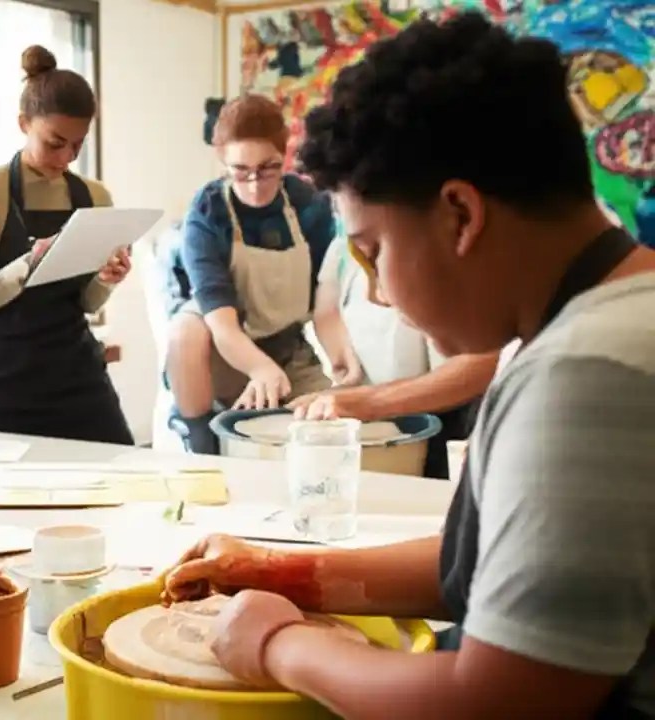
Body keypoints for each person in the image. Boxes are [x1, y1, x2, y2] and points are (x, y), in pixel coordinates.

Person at [165, 13, 655, 718]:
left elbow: (497, 703)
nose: (376, 290)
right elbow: (509, 562)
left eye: (374, 250)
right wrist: (282, 573)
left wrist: (280, 647)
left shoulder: (589, 376)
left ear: (460, 214)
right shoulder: (604, 318)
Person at [0, 45, 132, 445]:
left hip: (73, 369)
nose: (67, 156)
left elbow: (86, 303)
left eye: (78, 144)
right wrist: (28, 264)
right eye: (55, 142)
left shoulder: (95, 196)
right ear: (23, 123)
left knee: (119, 473)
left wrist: (107, 278)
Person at [163, 94, 339, 454]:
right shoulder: (208, 212)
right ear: (222, 160)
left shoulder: (309, 205)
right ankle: (200, 443)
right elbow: (223, 327)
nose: (255, 184)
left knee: (331, 434)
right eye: (241, 171)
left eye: (268, 168)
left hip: (288, 348)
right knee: (185, 331)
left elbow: (326, 302)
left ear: (284, 154)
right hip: (222, 350)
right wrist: (260, 370)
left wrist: (342, 362)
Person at [289, 237, 500, 478]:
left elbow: (488, 359)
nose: (376, 296)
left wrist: (369, 402)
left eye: (377, 253)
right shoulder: (342, 245)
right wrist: (344, 361)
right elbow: (327, 310)